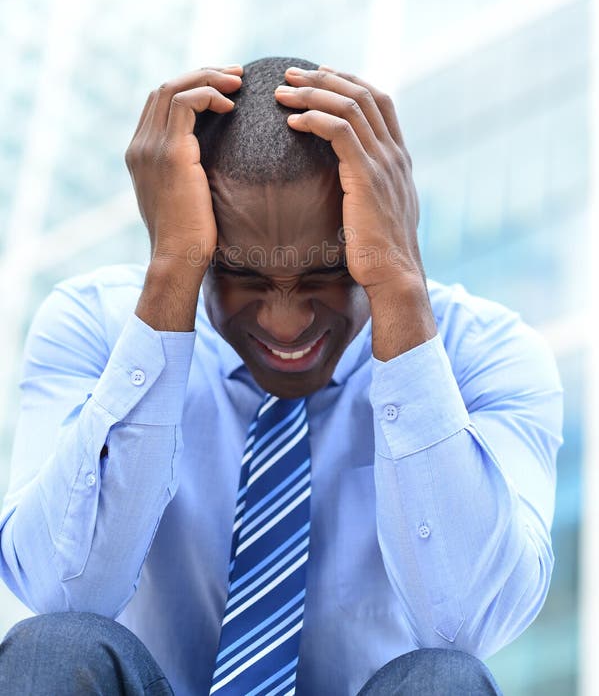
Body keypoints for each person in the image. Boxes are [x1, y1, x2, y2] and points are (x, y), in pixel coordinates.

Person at [0, 56, 562, 695]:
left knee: (445, 680)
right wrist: (172, 278)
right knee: (54, 646)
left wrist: (399, 285)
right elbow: (65, 590)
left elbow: (470, 623)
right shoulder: (95, 326)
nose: (288, 323)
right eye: (242, 275)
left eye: (328, 271)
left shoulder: (487, 354)